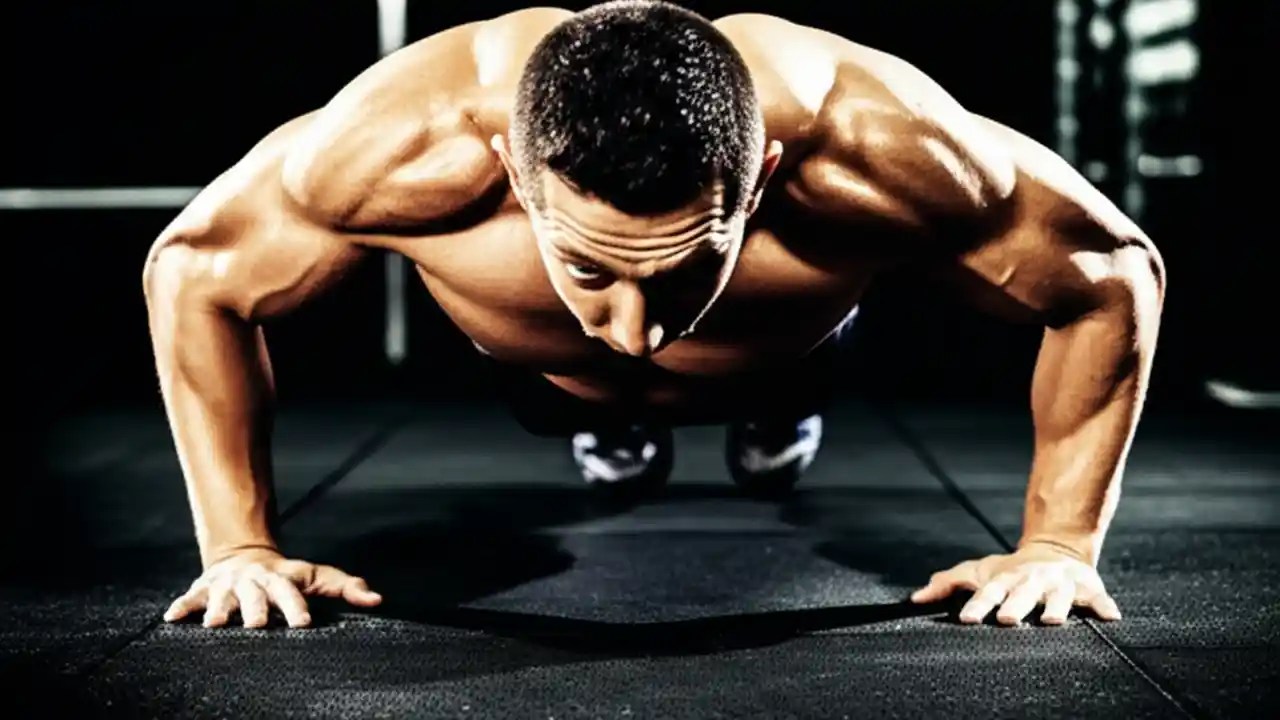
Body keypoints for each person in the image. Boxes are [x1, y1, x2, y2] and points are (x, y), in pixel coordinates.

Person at [145, 1, 1165, 632]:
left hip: (783, 352)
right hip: (539, 379)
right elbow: (195, 269)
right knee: (597, 386)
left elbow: (1110, 270)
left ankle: (774, 413)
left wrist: (1057, 547)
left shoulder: (871, 142)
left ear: (757, 180)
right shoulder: (402, 149)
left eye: (679, 273)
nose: (634, 327)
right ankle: (612, 420)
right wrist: (238, 548)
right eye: (588, 270)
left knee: (765, 363)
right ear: (512, 170)